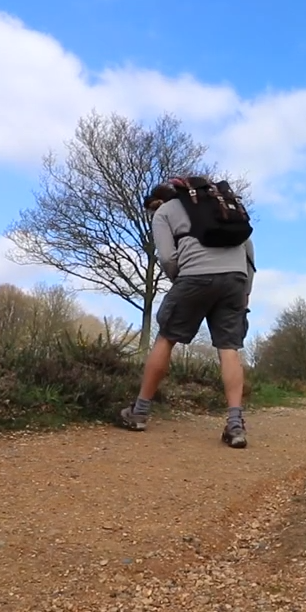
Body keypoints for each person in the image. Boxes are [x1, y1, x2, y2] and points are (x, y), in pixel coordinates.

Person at [116, 180, 256, 449]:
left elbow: (168, 258)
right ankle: (235, 425)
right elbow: (248, 250)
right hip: (236, 281)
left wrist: (182, 281)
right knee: (229, 348)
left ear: (156, 202)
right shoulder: (221, 207)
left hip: (194, 277)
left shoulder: (164, 212)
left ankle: (139, 412)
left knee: (166, 337)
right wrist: (245, 289)